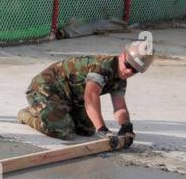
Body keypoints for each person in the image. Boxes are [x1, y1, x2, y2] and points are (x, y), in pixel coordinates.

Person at [17, 41, 152, 147]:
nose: (129, 72)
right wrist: (103, 130)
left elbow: (120, 107)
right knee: (63, 131)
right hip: (44, 89)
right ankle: (28, 114)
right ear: (123, 55)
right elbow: (90, 97)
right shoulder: (102, 67)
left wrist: (126, 126)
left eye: (135, 70)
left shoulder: (121, 78)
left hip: (69, 98)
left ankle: (58, 112)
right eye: (128, 65)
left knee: (86, 130)